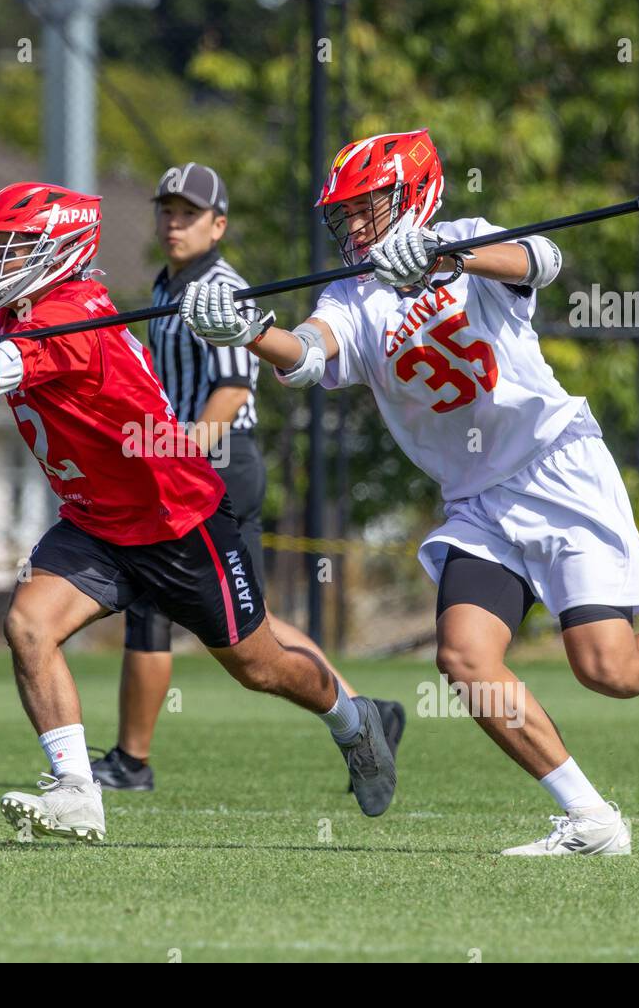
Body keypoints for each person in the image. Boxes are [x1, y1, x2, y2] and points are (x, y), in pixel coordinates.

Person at [178, 129, 639, 856]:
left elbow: (545, 259)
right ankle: (592, 819)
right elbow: (311, 356)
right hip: (478, 502)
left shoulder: (467, 239)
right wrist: (253, 330)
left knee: (610, 669)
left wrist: (446, 257)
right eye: (341, 216)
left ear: (413, 194)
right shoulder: (350, 294)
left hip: (557, 468)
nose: (351, 228)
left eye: (365, 209)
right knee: (465, 658)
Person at [0, 181, 399, 843]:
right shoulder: (19, 312)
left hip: (175, 520)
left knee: (259, 666)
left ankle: (353, 718)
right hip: (95, 522)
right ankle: (77, 791)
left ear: (61, 251)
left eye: (11, 250)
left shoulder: (74, 315)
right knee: (28, 626)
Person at [90, 162, 405, 792]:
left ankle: (132, 761)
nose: (173, 223)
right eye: (167, 211)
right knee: (250, 622)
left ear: (219, 224)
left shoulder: (221, 287)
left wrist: (181, 457)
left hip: (217, 463)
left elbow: (232, 390)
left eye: (189, 214)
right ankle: (367, 712)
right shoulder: (167, 283)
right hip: (197, 463)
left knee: (154, 606)